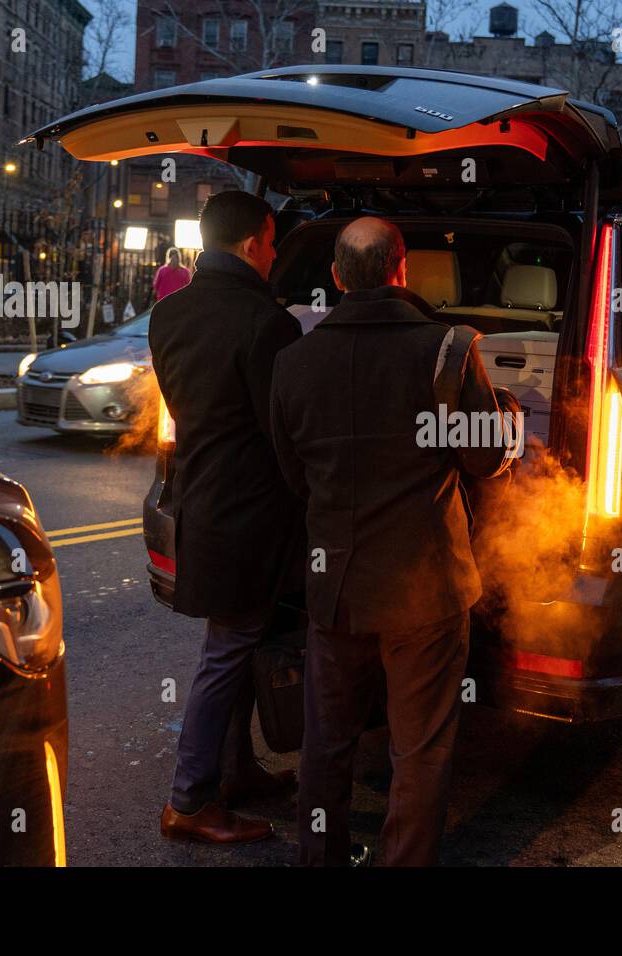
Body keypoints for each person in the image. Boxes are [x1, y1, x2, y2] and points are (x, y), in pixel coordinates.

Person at [269, 217, 513, 866]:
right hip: (425, 590)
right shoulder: (448, 349)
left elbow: (293, 476)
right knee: (420, 748)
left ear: (337, 277)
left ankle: (321, 856)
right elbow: (485, 463)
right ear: (404, 271)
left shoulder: (292, 362)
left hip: (337, 589)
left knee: (327, 743)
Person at [151, 191, 303, 844]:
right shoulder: (268, 324)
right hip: (250, 518)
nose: (274, 255)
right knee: (228, 650)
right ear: (253, 241)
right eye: (272, 243)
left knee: (237, 644)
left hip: (198, 504)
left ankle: (236, 770)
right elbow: (283, 432)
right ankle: (190, 800)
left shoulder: (170, 314)